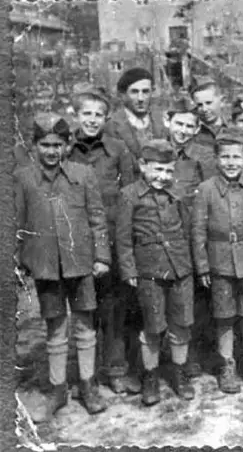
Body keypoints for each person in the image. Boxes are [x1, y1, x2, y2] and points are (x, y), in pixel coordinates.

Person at [15, 113, 110, 421]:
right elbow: (17, 224)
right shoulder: (24, 178)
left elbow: (97, 219)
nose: (52, 151)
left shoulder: (83, 174)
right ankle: (58, 390)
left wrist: (101, 257)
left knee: (84, 325)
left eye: (58, 144)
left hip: (80, 263)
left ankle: (87, 384)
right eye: (45, 144)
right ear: (34, 145)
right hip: (45, 266)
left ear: (68, 145)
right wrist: (21, 260)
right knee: (55, 328)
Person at [65, 83, 140, 394]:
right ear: (75, 115)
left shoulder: (118, 149)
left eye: (99, 114)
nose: (93, 120)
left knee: (113, 309)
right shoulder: (67, 151)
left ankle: (116, 368)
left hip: (110, 241)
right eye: (87, 113)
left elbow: (131, 193)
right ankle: (87, 375)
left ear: (106, 117)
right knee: (84, 309)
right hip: (77, 242)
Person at [191, 128, 243, 393]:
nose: (231, 162)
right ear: (216, 159)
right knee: (224, 316)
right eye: (225, 156)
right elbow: (197, 231)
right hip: (220, 261)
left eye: (236, 157)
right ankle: (226, 364)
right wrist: (203, 264)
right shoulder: (206, 190)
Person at [116, 139, 195, 406]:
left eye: (169, 171)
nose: (163, 177)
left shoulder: (178, 194)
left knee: (181, 323)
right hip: (149, 270)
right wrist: (129, 269)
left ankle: (179, 373)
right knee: (152, 326)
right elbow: (124, 238)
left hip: (180, 268)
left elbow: (188, 230)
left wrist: (192, 264)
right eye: (157, 170)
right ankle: (150, 376)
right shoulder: (129, 195)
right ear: (142, 166)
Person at [163, 96, 209, 377]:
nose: (182, 130)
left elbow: (209, 195)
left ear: (196, 128)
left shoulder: (203, 156)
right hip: (166, 234)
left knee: (196, 298)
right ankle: (171, 355)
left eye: (188, 125)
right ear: (167, 121)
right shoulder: (156, 152)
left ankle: (194, 353)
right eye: (177, 123)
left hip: (194, 234)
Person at [105, 67, 166, 171]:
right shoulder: (112, 125)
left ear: (152, 92)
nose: (141, 98)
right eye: (134, 92)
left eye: (145, 91)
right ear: (123, 95)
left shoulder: (161, 120)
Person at [190, 75, 228, 179]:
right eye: (199, 105)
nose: (204, 109)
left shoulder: (234, 130)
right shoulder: (191, 133)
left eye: (208, 103)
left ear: (222, 101)